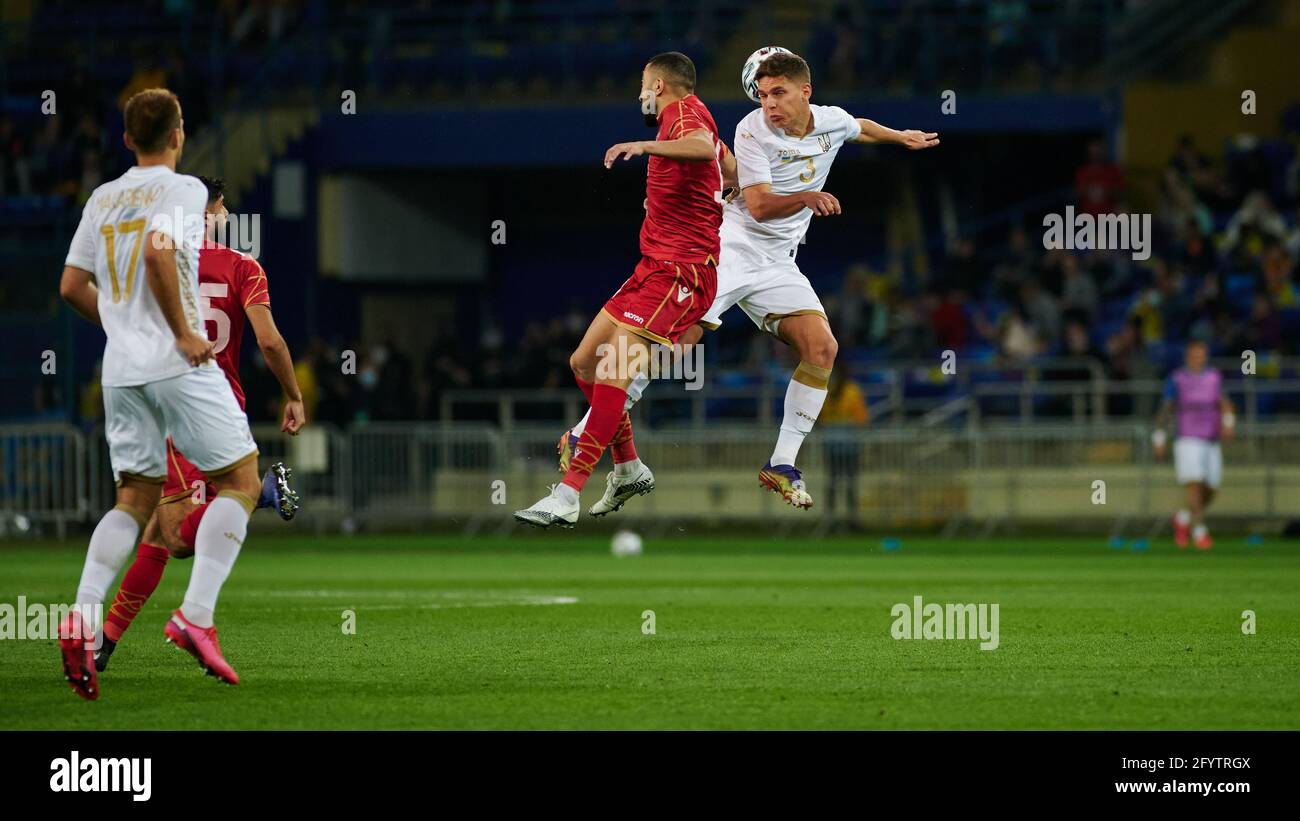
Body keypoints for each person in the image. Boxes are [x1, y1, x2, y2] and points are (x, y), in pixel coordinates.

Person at [557, 50, 938, 510]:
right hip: (733, 245)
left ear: (806, 93)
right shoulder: (752, 129)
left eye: (778, 93)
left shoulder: (831, 121)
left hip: (778, 261)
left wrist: (901, 137)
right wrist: (806, 196)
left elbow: (860, 126)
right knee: (676, 341)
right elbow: (757, 207)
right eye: (761, 94)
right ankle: (584, 434)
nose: (768, 103)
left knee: (823, 348)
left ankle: (781, 463)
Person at [56, 88, 260, 697]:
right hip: (178, 363)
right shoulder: (185, 190)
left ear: (126, 139)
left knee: (134, 500)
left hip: (120, 370)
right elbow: (158, 252)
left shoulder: (102, 195)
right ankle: (195, 616)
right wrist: (180, 333)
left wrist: (123, 327)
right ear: (177, 136)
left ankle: (84, 616)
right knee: (244, 482)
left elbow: (70, 285)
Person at [95, 174, 306, 673]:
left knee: (172, 536)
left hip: (174, 405)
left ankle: (266, 495)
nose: (228, 216)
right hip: (223, 406)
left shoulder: (157, 265)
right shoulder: (243, 267)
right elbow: (270, 342)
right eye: (223, 207)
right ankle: (104, 643)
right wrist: (293, 395)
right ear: (208, 212)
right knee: (154, 536)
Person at [513, 52, 728, 527]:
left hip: (680, 275)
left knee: (614, 371)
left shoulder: (686, 115)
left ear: (659, 86)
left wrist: (644, 147)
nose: (639, 95)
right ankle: (628, 466)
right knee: (583, 362)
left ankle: (568, 495)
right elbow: (725, 167)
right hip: (651, 268)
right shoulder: (686, 118)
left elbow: (701, 148)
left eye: (643, 86)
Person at [1152, 340, 1235, 549]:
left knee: (1212, 488)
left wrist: (1228, 423)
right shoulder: (1177, 379)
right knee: (1194, 484)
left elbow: (1224, 402)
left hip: (1211, 439)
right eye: (1195, 355)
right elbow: (1166, 408)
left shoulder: (1214, 377)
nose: (1199, 359)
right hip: (1187, 438)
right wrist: (1159, 437)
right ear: (1188, 357)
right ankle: (1199, 531)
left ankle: (1183, 517)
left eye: (1202, 355)